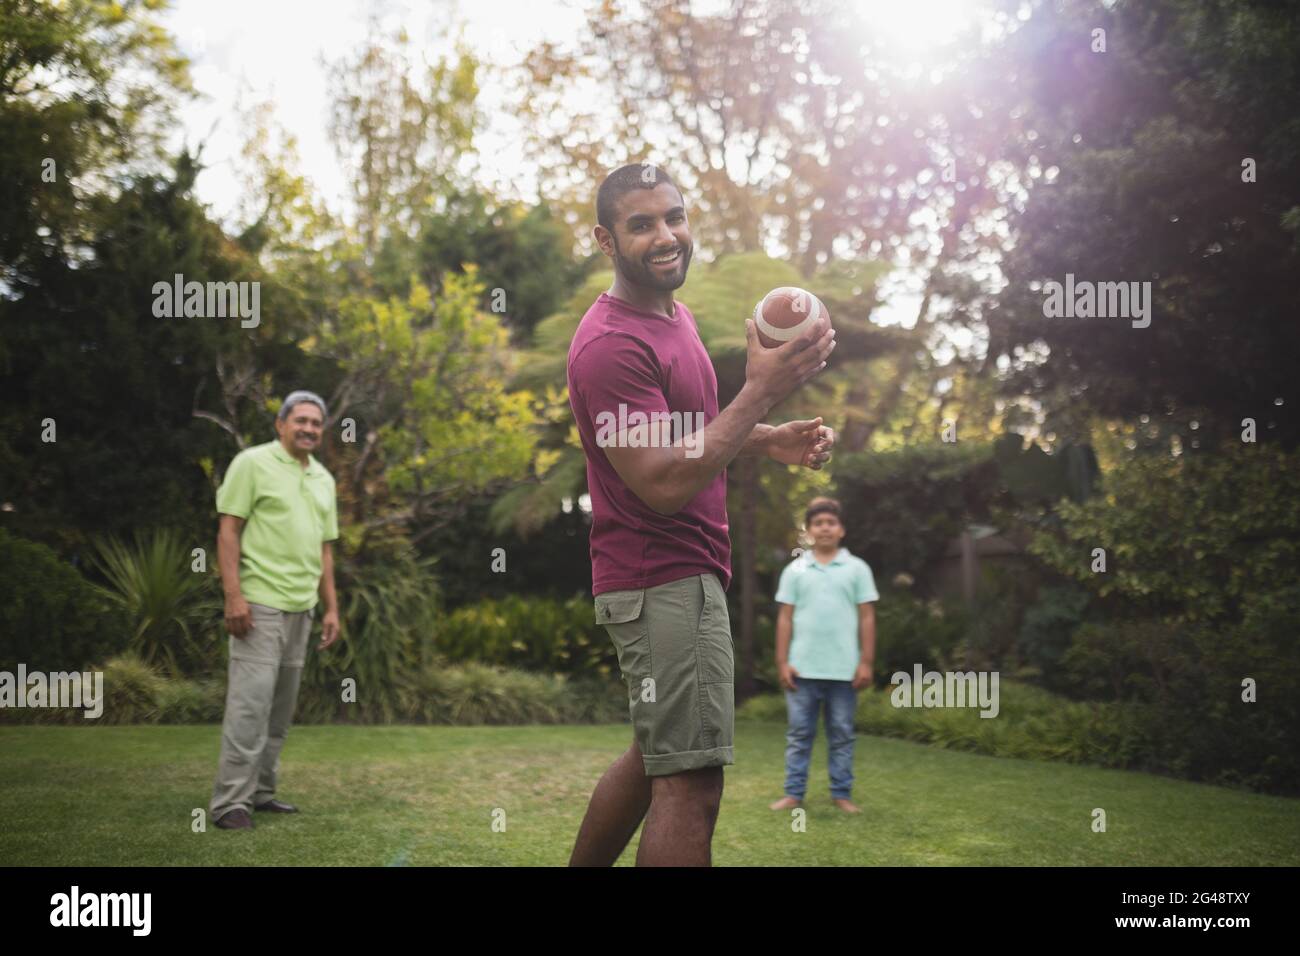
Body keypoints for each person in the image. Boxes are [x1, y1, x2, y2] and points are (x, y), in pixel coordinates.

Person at [566, 162, 837, 866]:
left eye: (675, 216)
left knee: (655, 755)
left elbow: (686, 437)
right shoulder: (610, 346)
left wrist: (766, 436)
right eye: (642, 223)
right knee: (690, 783)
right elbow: (659, 481)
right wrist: (760, 394)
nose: (667, 235)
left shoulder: (673, 318)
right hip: (663, 578)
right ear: (606, 239)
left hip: (677, 578)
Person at [209, 390, 341, 830]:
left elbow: (324, 549)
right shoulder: (252, 463)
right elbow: (228, 530)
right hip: (259, 603)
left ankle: (262, 793)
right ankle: (230, 802)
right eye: (300, 420)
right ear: (280, 424)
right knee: (250, 705)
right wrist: (233, 595)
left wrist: (331, 608)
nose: (308, 428)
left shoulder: (323, 478)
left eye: (315, 423)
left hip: (301, 608)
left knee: (280, 710)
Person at [769, 497, 878, 815]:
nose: (825, 528)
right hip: (802, 669)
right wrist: (782, 662)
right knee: (800, 734)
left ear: (841, 529)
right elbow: (785, 618)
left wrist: (866, 661)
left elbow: (867, 617)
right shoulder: (796, 570)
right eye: (818, 523)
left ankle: (841, 793)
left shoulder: (858, 569)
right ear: (809, 530)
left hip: (844, 671)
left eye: (831, 522)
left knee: (842, 734)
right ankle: (793, 793)